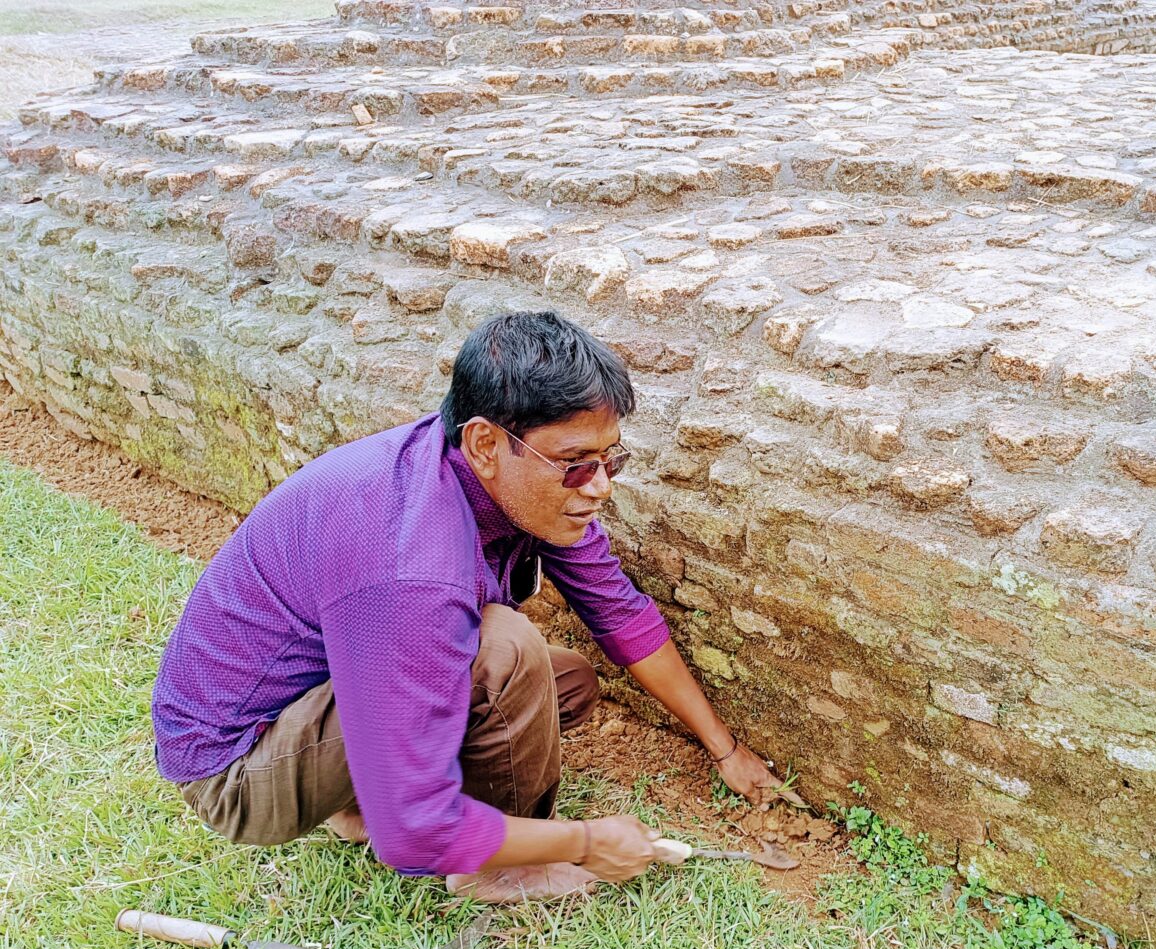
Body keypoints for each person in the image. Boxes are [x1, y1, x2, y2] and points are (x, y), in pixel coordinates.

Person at [151, 310, 785, 903]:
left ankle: (361, 803)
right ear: (485, 443)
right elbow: (412, 834)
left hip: (327, 698)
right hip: (239, 768)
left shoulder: (504, 480)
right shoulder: (410, 564)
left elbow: (617, 612)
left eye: (609, 459)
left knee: (565, 683)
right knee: (505, 651)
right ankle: (497, 866)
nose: (598, 486)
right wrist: (586, 842)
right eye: (573, 464)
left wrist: (724, 747)